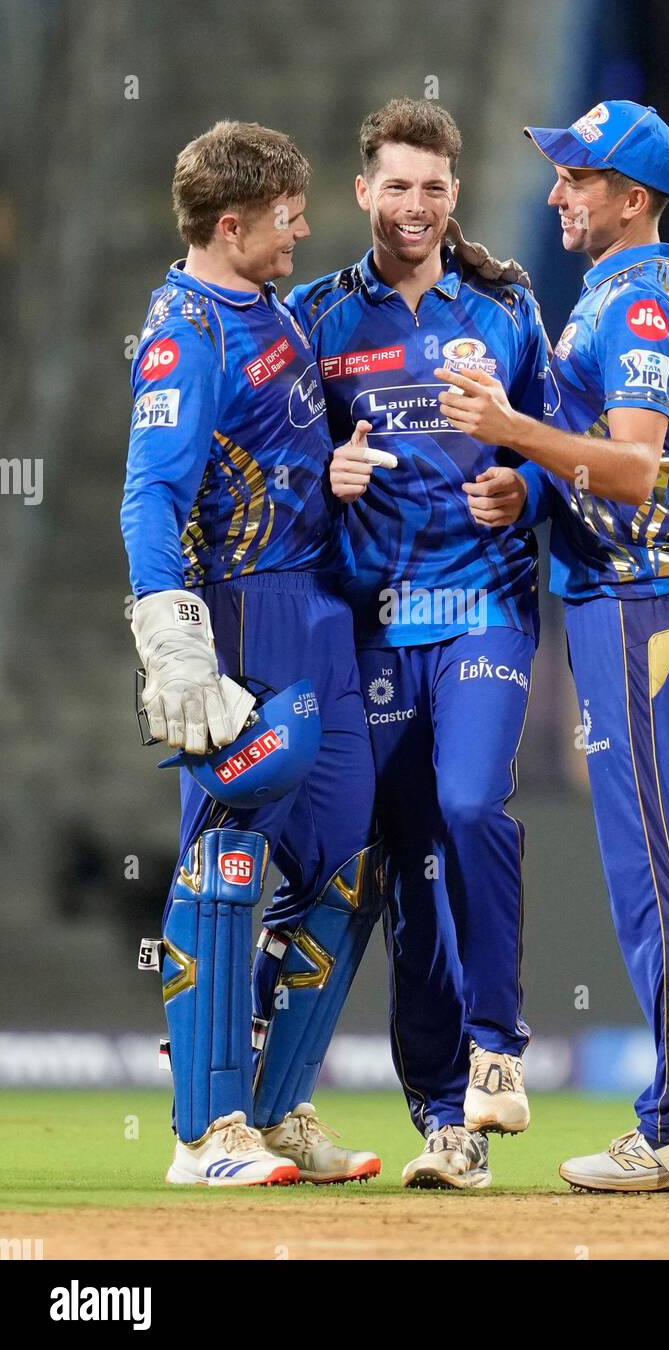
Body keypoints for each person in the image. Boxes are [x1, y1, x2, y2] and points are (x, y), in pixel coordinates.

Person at [436, 100, 669, 1193]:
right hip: (652, 606)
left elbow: (632, 470)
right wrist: (529, 479)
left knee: (658, 882)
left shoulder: (633, 308)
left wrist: (510, 431)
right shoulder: (625, 292)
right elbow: (608, 462)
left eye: (575, 177)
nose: (554, 193)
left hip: (640, 611)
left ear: (630, 198)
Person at [287, 98, 549, 1189]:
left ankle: (498, 1047)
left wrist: (521, 483)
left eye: (431, 186)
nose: (412, 204)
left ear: (454, 194)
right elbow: (267, 478)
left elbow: (559, 448)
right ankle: (446, 1121)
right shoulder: (308, 319)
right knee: (412, 868)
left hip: (482, 606)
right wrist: (325, 477)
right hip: (373, 629)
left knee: (473, 805)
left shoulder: (503, 311)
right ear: (362, 192)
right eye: (394, 184)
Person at [121, 120, 382, 1187]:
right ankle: (203, 1130)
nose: (303, 229)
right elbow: (150, 493)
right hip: (242, 618)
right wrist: (173, 646)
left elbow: (270, 459)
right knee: (225, 863)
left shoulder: (269, 307)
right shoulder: (186, 333)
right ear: (230, 224)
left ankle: (279, 1111)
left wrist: (328, 482)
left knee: (345, 864)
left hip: (319, 612)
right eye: (285, 216)